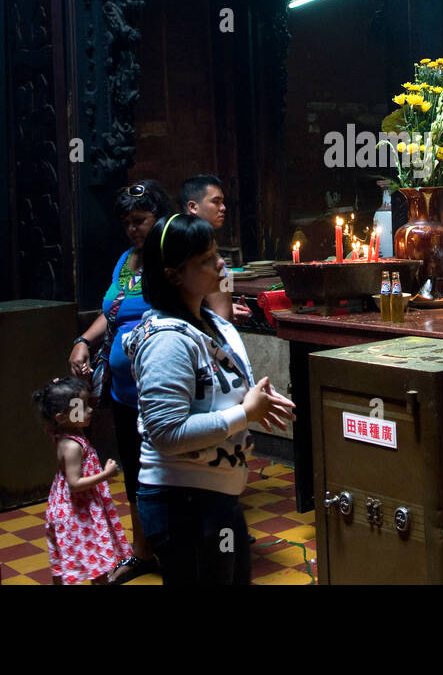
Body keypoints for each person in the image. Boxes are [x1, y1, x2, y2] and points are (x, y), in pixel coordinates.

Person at [124, 213, 296, 584]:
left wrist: (256, 402)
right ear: (172, 274)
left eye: (217, 253)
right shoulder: (166, 341)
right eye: (205, 259)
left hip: (217, 496)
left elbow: (222, 390)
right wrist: (244, 413)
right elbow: (166, 433)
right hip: (182, 503)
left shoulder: (211, 323)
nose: (220, 263)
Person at [68, 179, 174, 580]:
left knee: (168, 471)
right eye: (128, 222)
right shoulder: (125, 261)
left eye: (141, 220)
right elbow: (111, 312)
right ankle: (142, 552)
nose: (133, 229)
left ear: (158, 220)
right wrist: (83, 340)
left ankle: (178, 551)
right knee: (135, 471)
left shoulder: (170, 262)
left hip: (162, 389)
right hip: (125, 392)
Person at [33, 377, 133, 585]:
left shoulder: (68, 433)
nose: (89, 411)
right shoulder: (72, 445)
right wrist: (106, 474)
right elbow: (74, 483)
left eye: (88, 405)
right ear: (61, 417)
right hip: (76, 512)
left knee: (76, 559)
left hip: (77, 508)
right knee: (93, 557)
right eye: (82, 407)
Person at [180, 174, 252, 323]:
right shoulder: (186, 251)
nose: (223, 208)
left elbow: (212, 302)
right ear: (193, 207)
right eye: (216, 202)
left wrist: (230, 311)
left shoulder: (211, 245)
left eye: (223, 202)